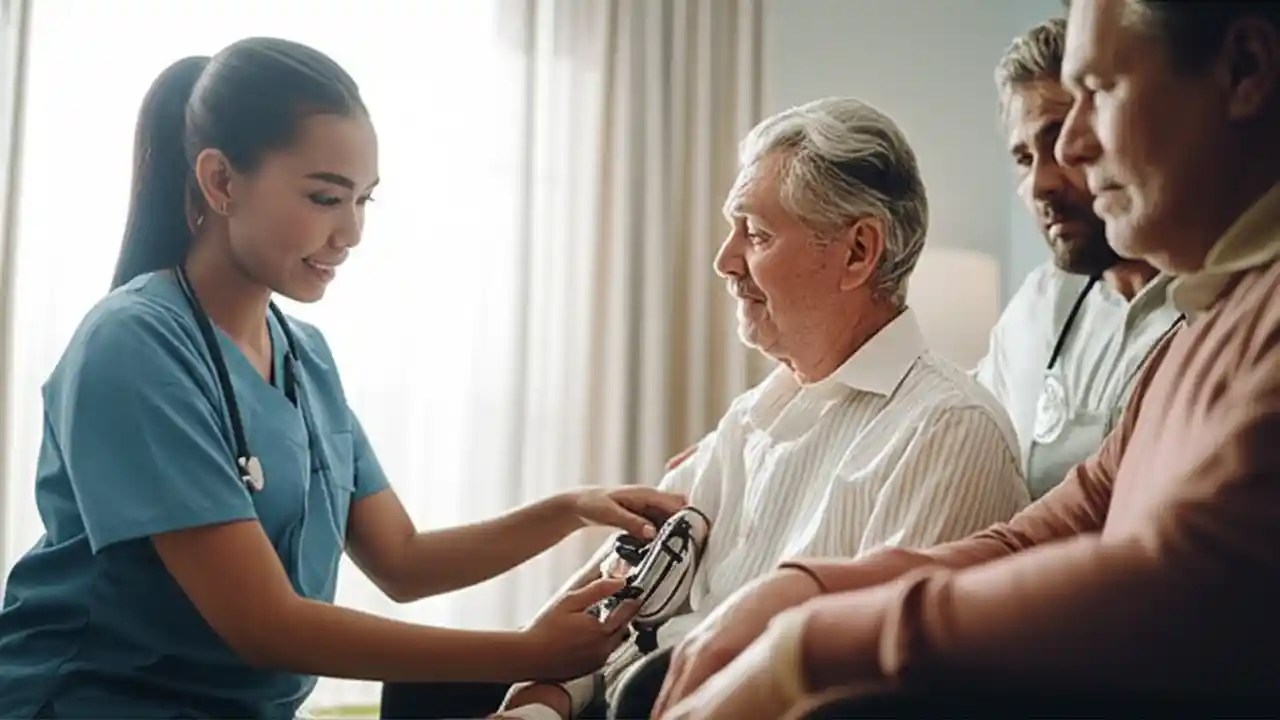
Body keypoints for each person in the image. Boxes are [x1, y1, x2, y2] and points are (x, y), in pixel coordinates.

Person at [0, 38, 689, 719]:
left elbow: (404, 562)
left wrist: (569, 508)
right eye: (326, 197)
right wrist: (527, 653)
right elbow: (264, 625)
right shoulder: (134, 346)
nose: (352, 231)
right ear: (221, 181)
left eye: (364, 200)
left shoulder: (305, 357)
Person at [648, 0, 1280, 716]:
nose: (1070, 150)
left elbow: (1174, 582)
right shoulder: (1195, 337)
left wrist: (814, 643)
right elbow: (1033, 538)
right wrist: (801, 589)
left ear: (1246, 71)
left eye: (1099, 90)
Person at [383, 96, 1031, 720]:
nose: (724, 261)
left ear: (859, 252)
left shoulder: (947, 432)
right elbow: (609, 600)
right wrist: (533, 710)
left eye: (755, 233)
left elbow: (873, 689)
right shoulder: (753, 416)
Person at [976, 16, 1183, 498]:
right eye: (1024, 159)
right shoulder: (1034, 307)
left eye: (1060, 140)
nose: (1041, 184)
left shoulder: (1216, 303)